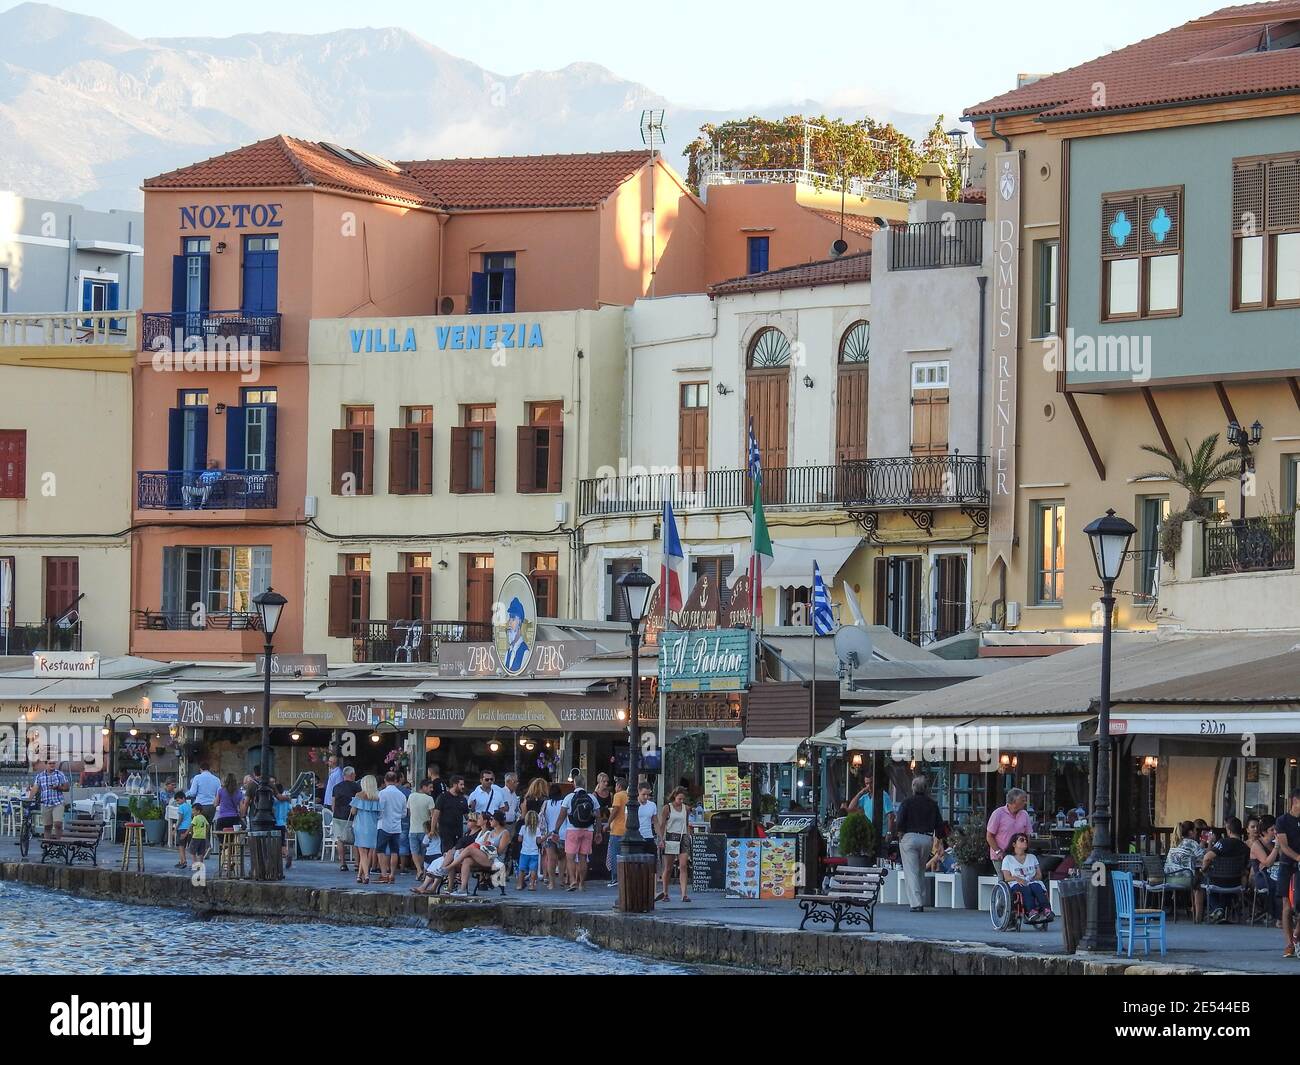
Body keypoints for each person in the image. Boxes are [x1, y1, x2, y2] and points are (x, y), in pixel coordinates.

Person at [894, 775, 945, 912]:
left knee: (911, 871)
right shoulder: (932, 804)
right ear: (926, 789)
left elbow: (899, 822)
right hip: (926, 839)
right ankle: (920, 898)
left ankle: (917, 903)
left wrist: (899, 834)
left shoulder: (907, 802)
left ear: (913, 788)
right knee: (921, 869)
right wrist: (939, 842)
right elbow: (939, 826)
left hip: (909, 837)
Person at [1200, 816, 1248, 923]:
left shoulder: (1222, 843)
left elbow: (1207, 857)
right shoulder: (1245, 847)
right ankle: (1220, 910)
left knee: (1204, 881)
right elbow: (1245, 867)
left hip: (1217, 881)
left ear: (1229, 830)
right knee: (1227, 889)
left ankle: (1217, 908)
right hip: (1236, 882)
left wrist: (1203, 869)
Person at [451, 810, 511, 896]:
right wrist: (485, 845)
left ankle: (451, 865)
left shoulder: (505, 833)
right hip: (485, 856)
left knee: (470, 850)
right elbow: (484, 845)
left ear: (497, 821)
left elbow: (499, 851)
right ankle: (463, 889)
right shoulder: (491, 833)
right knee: (467, 860)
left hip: (495, 859)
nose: (490, 821)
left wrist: (487, 846)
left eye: (492, 819)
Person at [556, 773, 598, 892]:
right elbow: (598, 816)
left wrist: (556, 830)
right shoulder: (592, 797)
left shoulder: (569, 797)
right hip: (588, 830)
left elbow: (562, 816)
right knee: (583, 858)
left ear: (574, 784)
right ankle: (582, 884)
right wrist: (598, 832)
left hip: (573, 829)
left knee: (570, 857)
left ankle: (573, 880)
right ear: (584, 784)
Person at [1000, 832, 1051, 922]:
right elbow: (1007, 877)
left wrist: (1031, 880)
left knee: (1036, 886)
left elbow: (1039, 875)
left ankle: (1046, 910)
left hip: (1031, 881)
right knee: (1024, 887)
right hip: (1016, 883)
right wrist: (1017, 879)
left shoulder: (1032, 857)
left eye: (1026, 840)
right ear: (1014, 844)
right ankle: (1031, 911)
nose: (1025, 842)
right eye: (1022, 840)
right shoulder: (1007, 859)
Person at [1163, 820, 1206, 923]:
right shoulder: (1191, 843)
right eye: (1195, 830)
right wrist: (1205, 844)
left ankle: (1193, 912)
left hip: (1169, 879)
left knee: (1196, 878)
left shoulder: (1175, 842)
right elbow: (1205, 857)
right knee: (1199, 885)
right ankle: (1198, 919)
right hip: (1184, 880)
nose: (1196, 833)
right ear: (1191, 832)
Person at [1275, 788, 1300, 958]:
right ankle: (1289, 943)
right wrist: (1298, 857)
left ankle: (1297, 935)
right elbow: (1283, 846)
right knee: (1287, 905)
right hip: (1287, 864)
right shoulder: (1282, 820)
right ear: (1295, 800)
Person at [656, 786, 692, 904]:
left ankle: (684, 894)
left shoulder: (686, 808)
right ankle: (665, 893)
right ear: (674, 796)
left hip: (683, 836)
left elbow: (686, 823)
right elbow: (662, 824)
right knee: (668, 867)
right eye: (679, 799)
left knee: (683, 865)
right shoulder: (668, 808)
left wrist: (689, 835)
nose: (681, 801)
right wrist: (661, 839)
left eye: (683, 799)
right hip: (671, 836)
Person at [1249, 816, 1282, 926]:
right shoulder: (1257, 845)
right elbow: (1267, 862)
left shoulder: (1273, 843)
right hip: (1262, 877)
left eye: (1276, 829)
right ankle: (1279, 917)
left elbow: (1282, 859)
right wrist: (1277, 847)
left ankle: (1286, 915)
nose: (1275, 832)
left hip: (1276, 873)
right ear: (1264, 832)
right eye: (1272, 830)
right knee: (1277, 885)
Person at [374, 771, 406, 884]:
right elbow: (404, 813)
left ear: (385, 780)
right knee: (394, 851)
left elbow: (380, 809)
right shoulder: (402, 795)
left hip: (384, 825)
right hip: (396, 826)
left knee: (380, 850)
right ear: (396, 780)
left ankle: (383, 874)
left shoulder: (382, 793)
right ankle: (392, 874)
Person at [986, 788, 1032, 864]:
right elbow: (989, 836)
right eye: (1022, 800)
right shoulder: (998, 814)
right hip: (1001, 856)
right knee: (1005, 876)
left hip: (1019, 856)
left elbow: (1028, 835)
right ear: (1014, 801)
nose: (1025, 802)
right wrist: (998, 851)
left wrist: (1025, 851)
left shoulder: (1024, 814)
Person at [350, 775, 382, 885]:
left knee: (362, 853)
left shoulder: (359, 795)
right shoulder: (377, 798)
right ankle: (359, 876)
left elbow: (353, 812)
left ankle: (367, 875)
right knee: (367, 853)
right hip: (372, 827)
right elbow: (379, 814)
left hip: (360, 826)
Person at [430, 775, 469, 861]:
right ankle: (446, 872)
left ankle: (454, 872)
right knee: (447, 853)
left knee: (457, 853)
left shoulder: (463, 799)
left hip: (458, 831)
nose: (463, 787)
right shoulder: (442, 797)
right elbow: (436, 814)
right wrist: (432, 829)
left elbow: (467, 816)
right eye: (461, 784)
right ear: (455, 785)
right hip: (445, 831)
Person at [331, 766, 361, 872]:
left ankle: (343, 864)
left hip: (338, 816)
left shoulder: (336, 787)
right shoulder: (357, 787)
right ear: (352, 775)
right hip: (352, 816)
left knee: (340, 840)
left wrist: (335, 813)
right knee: (356, 840)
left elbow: (333, 803)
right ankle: (357, 863)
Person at [29, 758, 68, 839]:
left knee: (58, 824)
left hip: (58, 802)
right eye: (50, 763)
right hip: (45, 803)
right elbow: (35, 788)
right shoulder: (40, 776)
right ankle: (46, 847)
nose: (52, 765)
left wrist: (58, 787)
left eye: (53, 763)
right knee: (47, 826)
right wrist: (29, 800)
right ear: (46, 764)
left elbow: (67, 788)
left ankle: (59, 845)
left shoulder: (60, 774)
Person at [406, 778, 436, 878]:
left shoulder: (411, 796)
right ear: (424, 787)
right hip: (425, 830)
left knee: (414, 851)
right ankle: (423, 870)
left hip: (413, 829)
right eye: (430, 787)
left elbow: (409, 812)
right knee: (424, 852)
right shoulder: (429, 799)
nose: (431, 789)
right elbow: (433, 815)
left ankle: (418, 870)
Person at [541, 782, 566, 889]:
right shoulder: (563, 803)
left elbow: (541, 819)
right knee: (562, 858)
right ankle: (561, 880)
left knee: (551, 859)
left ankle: (551, 882)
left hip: (550, 834)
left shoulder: (546, 803)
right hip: (563, 834)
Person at [606, 777, 629, 888]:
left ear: (619, 786)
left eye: (616, 786)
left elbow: (615, 810)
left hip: (617, 829)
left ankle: (615, 878)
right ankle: (624, 877)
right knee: (624, 855)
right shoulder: (630, 796)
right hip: (627, 830)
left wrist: (608, 823)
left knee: (615, 855)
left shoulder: (618, 795)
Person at [502, 596, 531, 673]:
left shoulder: (525, 652)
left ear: (520, 622)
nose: (510, 623)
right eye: (509, 619)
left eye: (513, 619)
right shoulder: (507, 653)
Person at [517, 808, 543, 891]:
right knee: (533, 869)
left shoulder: (523, 828)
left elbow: (519, 839)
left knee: (522, 869)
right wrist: (544, 837)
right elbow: (539, 841)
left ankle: (520, 885)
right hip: (534, 852)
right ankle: (532, 885)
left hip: (524, 852)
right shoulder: (537, 829)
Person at [269, 777, 293, 870]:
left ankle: (275, 859)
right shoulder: (286, 802)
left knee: (274, 843)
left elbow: (272, 810)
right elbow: (291, 812)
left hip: (274, 823)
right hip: (282, 824)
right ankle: (287, 854)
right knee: (282, 843)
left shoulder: (274, 801)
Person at [174, 791, 194, 869]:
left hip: (182, 828)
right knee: (187, 845)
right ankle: (184, 861)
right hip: (189, 828)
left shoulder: (181, 807)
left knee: (181, 846)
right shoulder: (190, 806)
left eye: (178, 800)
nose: (177, 802)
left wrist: (175, 828)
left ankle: (183, 861)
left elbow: (180, 818)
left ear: (183, 798)